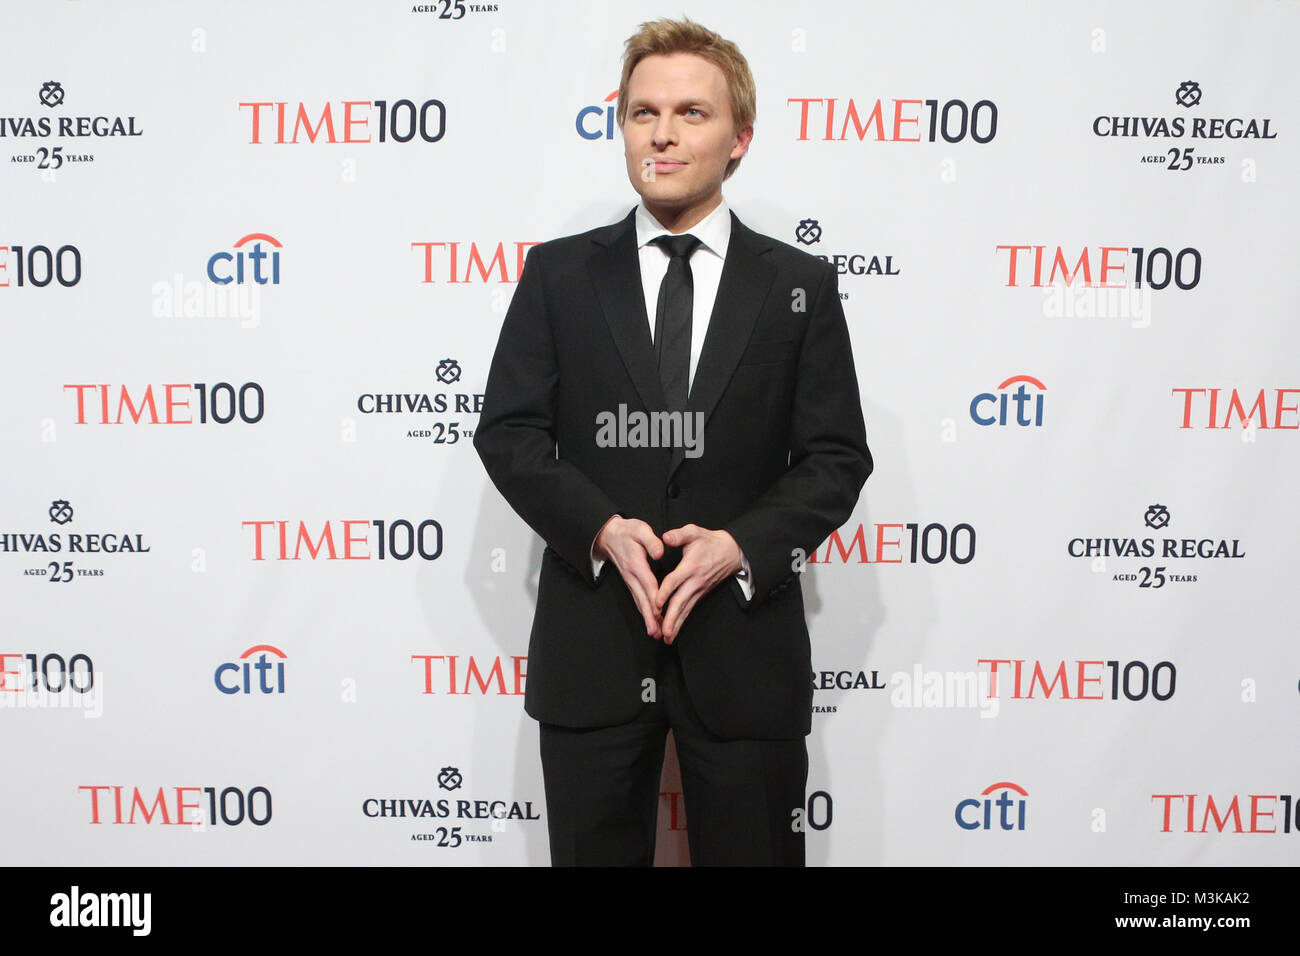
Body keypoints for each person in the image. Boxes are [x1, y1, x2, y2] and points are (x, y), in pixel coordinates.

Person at [474, 16, 871, 866]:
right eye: (641, 112)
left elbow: (837, 455)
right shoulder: (559, 274)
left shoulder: (799, 286)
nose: (661, 132)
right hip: (594, 646)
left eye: (692, 112)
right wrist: (599, 528)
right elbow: (509, 432)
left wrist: (740, 545)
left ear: (740, 139)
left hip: (744, 648)